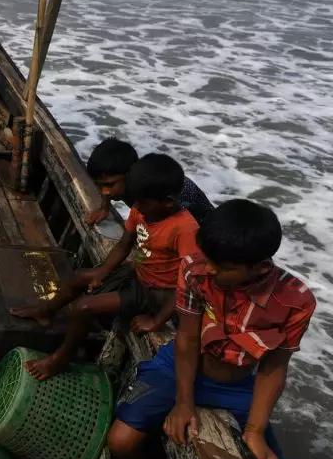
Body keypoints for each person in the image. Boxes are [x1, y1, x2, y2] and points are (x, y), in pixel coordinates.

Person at [107, 199, 316, 459]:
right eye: (208, 258)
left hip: (237, 386)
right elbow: (188, 339)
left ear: (259, 266)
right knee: (121, 441)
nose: (210, 269)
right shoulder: (196, 270)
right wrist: (184, 401)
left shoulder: (296, 300)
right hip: (178, 367)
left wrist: (256, 431)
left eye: (223, 266)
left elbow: (273, 368)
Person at [11, 153, 200, 380]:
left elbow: (189, 284)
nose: (136, 207)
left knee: (83, 307)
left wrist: (157, 320)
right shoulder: (143, 209)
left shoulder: (185, 229)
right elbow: (123, 244)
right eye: (135, 201)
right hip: (140, 271)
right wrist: (103, 271)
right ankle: (46, 311)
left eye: (142, 202)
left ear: (168, 201)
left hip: (158, 291)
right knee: (79, 277)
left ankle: (59, 359)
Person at [85, 137, 213, 226]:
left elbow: (180, 223)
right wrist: (104, 208)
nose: (105, 192)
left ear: (128, 174)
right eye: (99, 185)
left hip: (200, 222)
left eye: (109, 185)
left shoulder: (154, 190)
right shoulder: (121, 181)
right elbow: (105, 185)